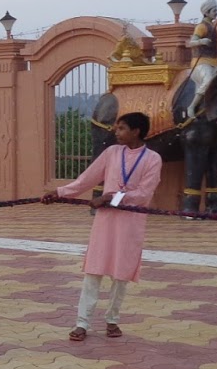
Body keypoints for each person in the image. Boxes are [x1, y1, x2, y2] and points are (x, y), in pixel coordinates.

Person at [42, 111, 164, 342]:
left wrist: (112, 198)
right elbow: (86, 179)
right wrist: (59, 193)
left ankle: (112, 320)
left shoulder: (152, 159)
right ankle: (82, 323)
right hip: (105, 223)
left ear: (136, 131)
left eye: (121, 128)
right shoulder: (111, 153)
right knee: (93, 271)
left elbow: (143, 194)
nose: (116, 132)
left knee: (121, 274)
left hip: (130, 224)